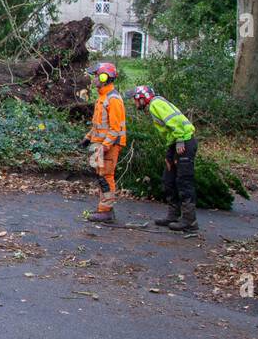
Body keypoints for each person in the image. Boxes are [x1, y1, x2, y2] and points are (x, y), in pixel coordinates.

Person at [129, 85, 199, 234]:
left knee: (184, 181)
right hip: (175, 143)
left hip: (184, 141)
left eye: (135, 100)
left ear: (142, 98)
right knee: (169, 179)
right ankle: (173, 215)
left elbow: (175, 121)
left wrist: (180, 139)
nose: (134, 103)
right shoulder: (154, 105)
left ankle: (189, 220)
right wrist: (171, 149)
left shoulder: (156, 104)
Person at [80, 62, 126, 224]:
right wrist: (87, 138)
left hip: (109, 145)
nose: (94, 80)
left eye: (97, 76)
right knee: (100, 176)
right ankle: (103, 208)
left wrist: (104, 147)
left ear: (105, 77)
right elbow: (98, 124)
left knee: (106, 176)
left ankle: (106, 211)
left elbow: (115, 128)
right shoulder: (102, 97)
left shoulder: (113, 99)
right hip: (99, 143)